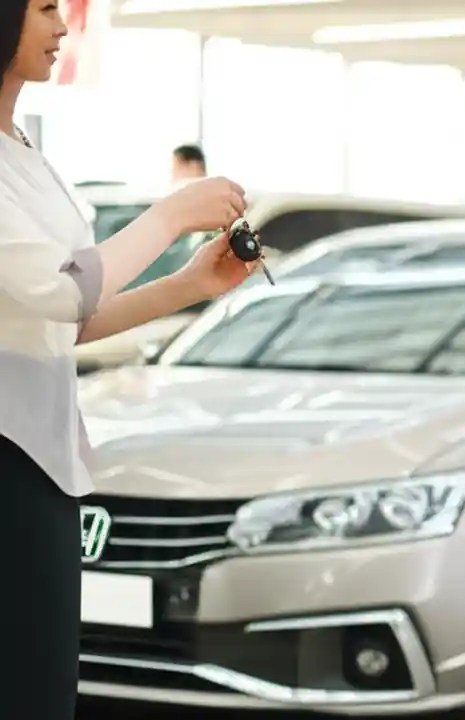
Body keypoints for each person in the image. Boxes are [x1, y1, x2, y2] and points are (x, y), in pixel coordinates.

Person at [0, 2, 255, 717]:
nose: (62, 25)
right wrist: (171, 214)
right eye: (45, 8)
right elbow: (61, 289)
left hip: (42, 462)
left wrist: (189, 285)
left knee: (42, 687)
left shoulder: (23, 152)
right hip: (10, 462)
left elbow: (61, 323)